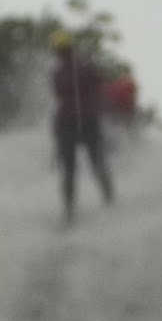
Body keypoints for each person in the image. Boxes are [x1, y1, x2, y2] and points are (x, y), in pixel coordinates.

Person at [49, 29, 114, 221]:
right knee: (95, 162)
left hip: (72, 121)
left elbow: (60, 94)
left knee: (73, 168)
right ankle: (107, 201)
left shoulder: (60, 72)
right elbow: (98, 86)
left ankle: (70, 212)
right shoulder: (84, 66)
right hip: (83, 119)